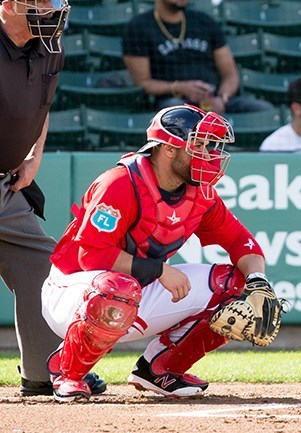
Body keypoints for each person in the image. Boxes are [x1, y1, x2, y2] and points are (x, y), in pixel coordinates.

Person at [41, 105, 276, 402]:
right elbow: (91, 255)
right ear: (168, 148)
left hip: (134, 288)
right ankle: (68, 373)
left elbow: (242, 242)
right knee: (117, 288)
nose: (209, 154)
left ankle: (160, 371)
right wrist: (160, 270)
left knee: (236, 285)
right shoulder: (119, 182)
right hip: (71, 290)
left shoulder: (201, 193)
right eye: (199, 145)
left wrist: (258, 281)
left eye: (209, 146)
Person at [0, 0, 106, 398]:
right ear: (7, 7)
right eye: (38, 2)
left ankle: (44, 372)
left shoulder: (50, 46)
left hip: (8, 185)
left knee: (42, 269)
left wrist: (33, 157)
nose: (51, 9)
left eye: (54, 0)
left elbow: (42, 107)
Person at [123, 0, 272, 114]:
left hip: (214, 99)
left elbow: (230, 74)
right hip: (173, 101)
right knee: (177, 111)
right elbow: (143, 83)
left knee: (264, 111)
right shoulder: (139, 27)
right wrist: (180, 87)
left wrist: (221, 98)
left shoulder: (204, 21)